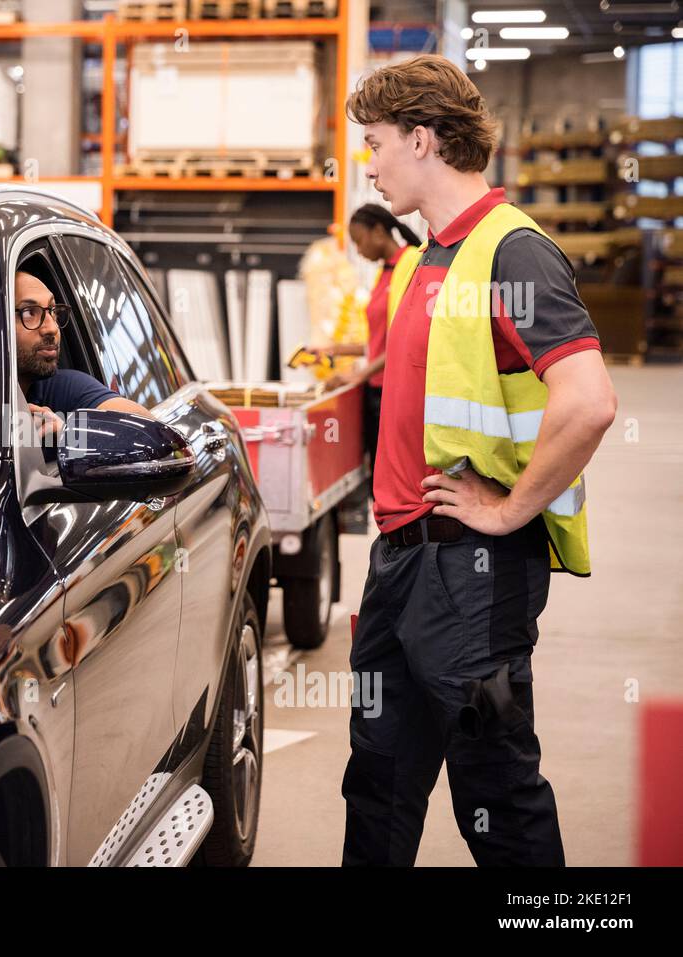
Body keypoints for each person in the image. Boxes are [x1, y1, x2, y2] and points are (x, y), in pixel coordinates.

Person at [341, 54, 617, 867]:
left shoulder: (511, 250)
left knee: (495, 788)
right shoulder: (435, 253)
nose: (368, 159)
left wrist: (506, 509)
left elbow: (589, 399)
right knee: (379, 780)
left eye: (376, 141)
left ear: (422, 139)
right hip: (401, 565)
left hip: (473, 572)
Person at [323, 204, 423, 466]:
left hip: (393, 392)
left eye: (359, 241)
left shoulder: (409, 264)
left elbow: (405, 342)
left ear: (378, 232)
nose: (358, 250)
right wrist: (335, 350)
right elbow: (380, 341)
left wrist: (357, 374)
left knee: (389, 467)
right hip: (376, 388)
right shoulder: (386, 271)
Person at [12, 267, 151, 443]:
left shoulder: (61, 390)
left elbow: (151, 433)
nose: (52, 328)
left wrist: (70, 434)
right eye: (29, 312)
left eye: (53, 311)